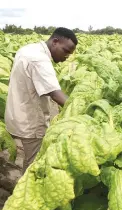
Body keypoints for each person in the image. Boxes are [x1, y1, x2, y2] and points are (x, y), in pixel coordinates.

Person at [5, 27, 78, 173]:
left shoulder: (28, 49)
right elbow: (56, 94)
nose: (67, 57)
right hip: (30, 122)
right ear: (55, 42)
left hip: (17, 114)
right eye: (66, 51)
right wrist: (80, 109)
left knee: (29, 158)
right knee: (34, 166)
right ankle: (24, 193)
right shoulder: (39, 60)